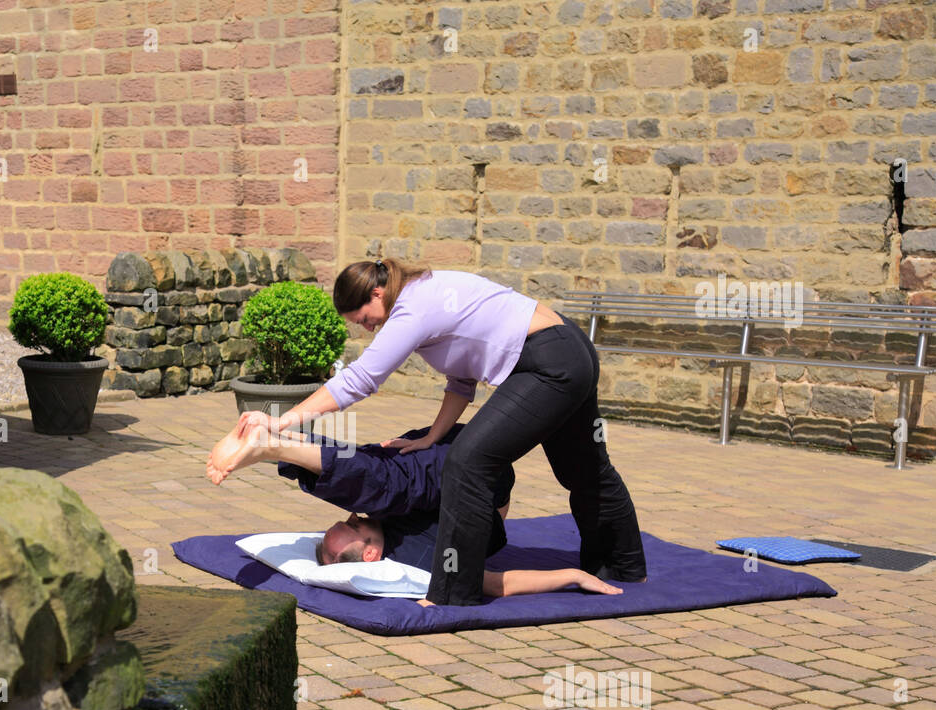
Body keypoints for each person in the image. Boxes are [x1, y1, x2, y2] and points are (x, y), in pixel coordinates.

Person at [229, 257, 648, 606]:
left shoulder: (413, 306)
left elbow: (360, 380)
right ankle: (623, 566)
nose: (367, 327)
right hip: (566, 351)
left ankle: (452, 590)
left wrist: (283, 421)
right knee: (584, 471)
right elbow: (461, 381)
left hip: (549, 363)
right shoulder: (423, 296)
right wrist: (432, 436)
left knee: (468, 462)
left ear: (377, 294)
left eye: (364, 319)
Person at [206, 419, 623, 599]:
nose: (358, 517)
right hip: (484, 482)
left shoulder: (381, 514)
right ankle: (273, 446)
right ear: (370, 554)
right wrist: (571, 575)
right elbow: (498, 585)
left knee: (374, 473)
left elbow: (367, 490)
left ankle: (279, 443)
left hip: (433, 451)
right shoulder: (421, 562)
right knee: (382, 485)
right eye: (356, 526)